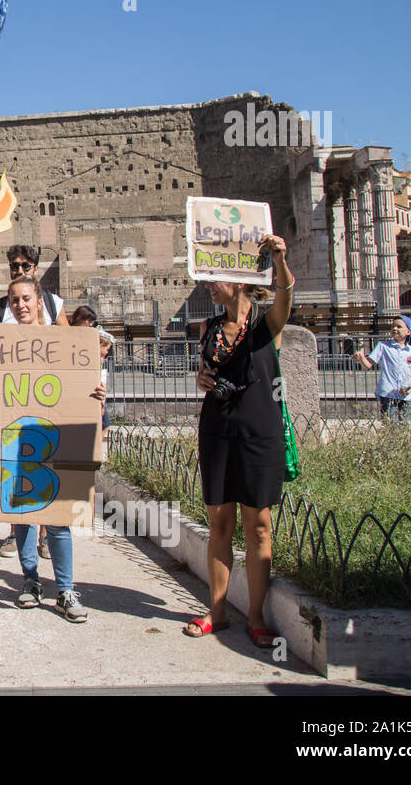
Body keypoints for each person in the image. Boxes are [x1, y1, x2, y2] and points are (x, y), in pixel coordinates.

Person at [0, 235, 104, 620]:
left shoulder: (58, 336)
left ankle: (65, 589)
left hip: (55, 432)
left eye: (26, 298)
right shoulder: (0, 338)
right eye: (14, 300)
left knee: (58, 517)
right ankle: (30, 581)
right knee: (24, 515)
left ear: (38, 301)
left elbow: (80, 372)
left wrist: (94, 391)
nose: (20, 305)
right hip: (17, 433)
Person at [185, 233, 293, 648]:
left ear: (239, 281)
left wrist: (279, 258)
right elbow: (206, 370)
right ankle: (216, 611)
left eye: (213, 278)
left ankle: (257, 616)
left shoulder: (267, 322)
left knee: (259, 527)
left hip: (259, 434)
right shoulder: (210, 326)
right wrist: (200, 379)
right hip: (217, 431)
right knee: (219, 524)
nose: (208, 285)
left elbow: (284, 295)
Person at [353, 316, 411, 422]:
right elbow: (367, 365)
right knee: (388, 423)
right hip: (387, 393)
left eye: (399, 326)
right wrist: (361, 358)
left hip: (405, 396)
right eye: (393, 326)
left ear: (408, 331)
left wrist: (410, 388)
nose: (395, 329)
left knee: (405, 424)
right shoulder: (383, 346)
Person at [0, 245, 67, 326]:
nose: (20, 271)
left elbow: (66, 336)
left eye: (26, 266)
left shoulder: (53, 303)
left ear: (36, 269)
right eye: (15, 266)